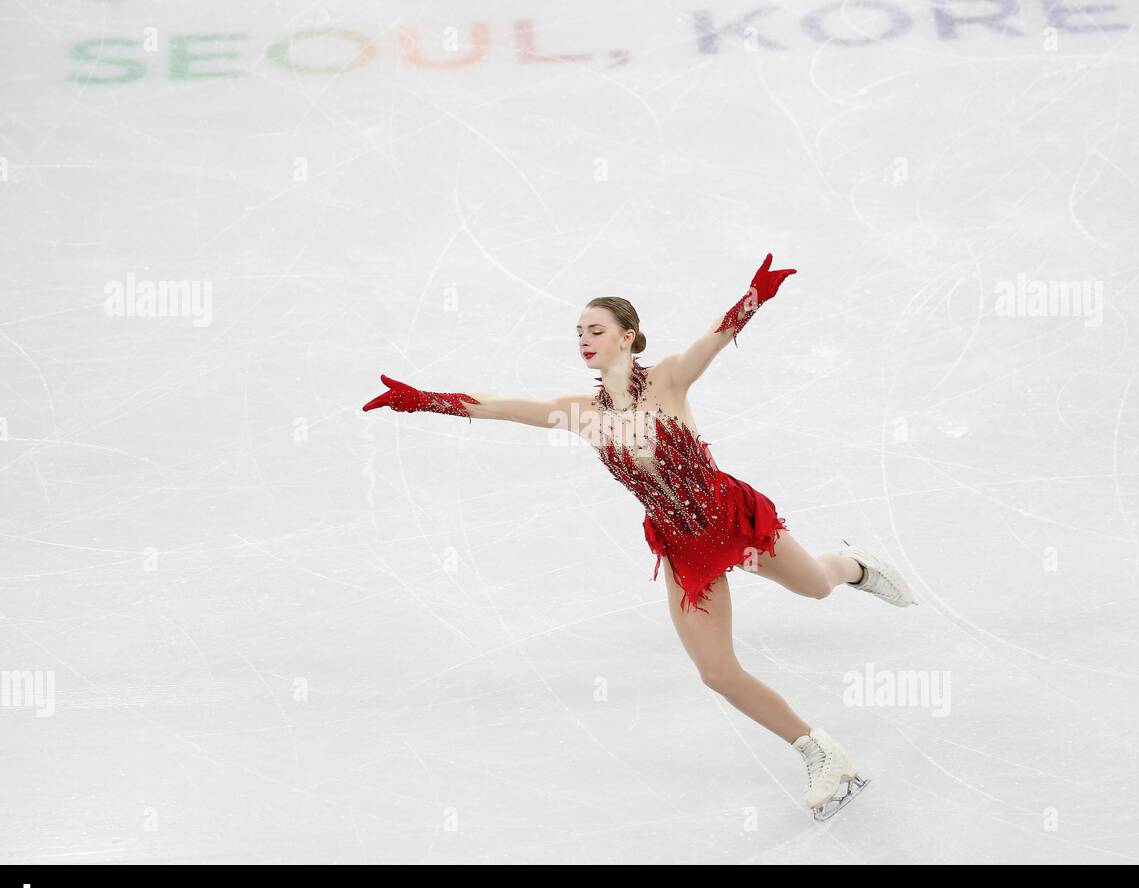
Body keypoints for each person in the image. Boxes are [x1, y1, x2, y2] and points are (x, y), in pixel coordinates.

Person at [362, 253, 917, 821]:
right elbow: (497, 407)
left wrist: (755, 297)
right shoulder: (577, 413)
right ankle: (820, 751)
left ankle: (854, 565)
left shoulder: (671, 379)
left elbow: (718, 336)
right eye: (578, 333)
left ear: (628, 337)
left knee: (818, 587)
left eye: (595, 330)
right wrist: (419, 399)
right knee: (716, 672)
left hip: (733, 521)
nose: (583, 339)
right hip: (686, 548)